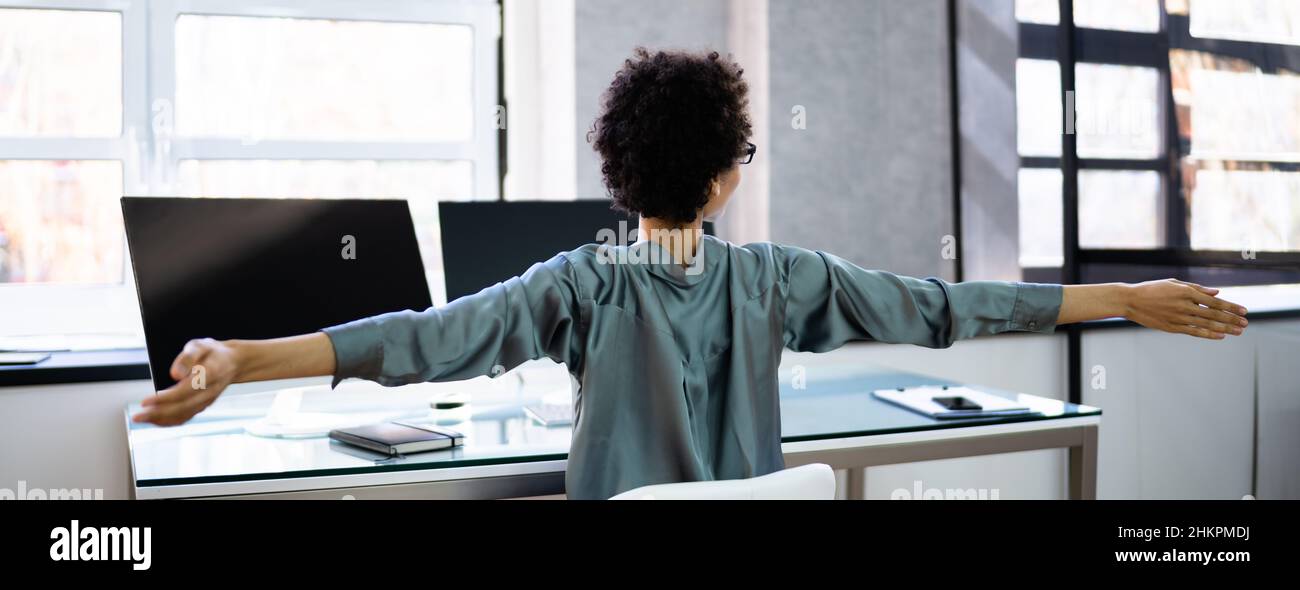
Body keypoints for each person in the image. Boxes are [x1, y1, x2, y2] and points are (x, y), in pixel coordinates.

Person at [132, 48, 1249, 500]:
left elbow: (420, 336)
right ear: (722, 179)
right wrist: (1122, 296)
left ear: (621, 173)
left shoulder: (577, 282)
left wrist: (243, 357)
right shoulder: (779, 277)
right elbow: (950, 304)